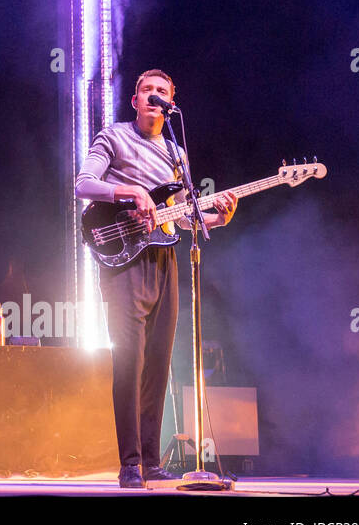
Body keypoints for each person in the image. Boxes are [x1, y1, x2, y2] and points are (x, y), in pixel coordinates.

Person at [74, 69, 238, 488]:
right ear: (134, 101)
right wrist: (131, 192)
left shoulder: (176, 153)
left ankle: (150, 460)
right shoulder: (113, 137)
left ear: (170, 103)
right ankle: (128, 462)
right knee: (129, 361)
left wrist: (216, 218)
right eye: (147, 90)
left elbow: (182, 217)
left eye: (161, 92)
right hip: (124, 259)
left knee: (159, 363)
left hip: (165, 260)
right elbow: (83, 184)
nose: (154, 96)